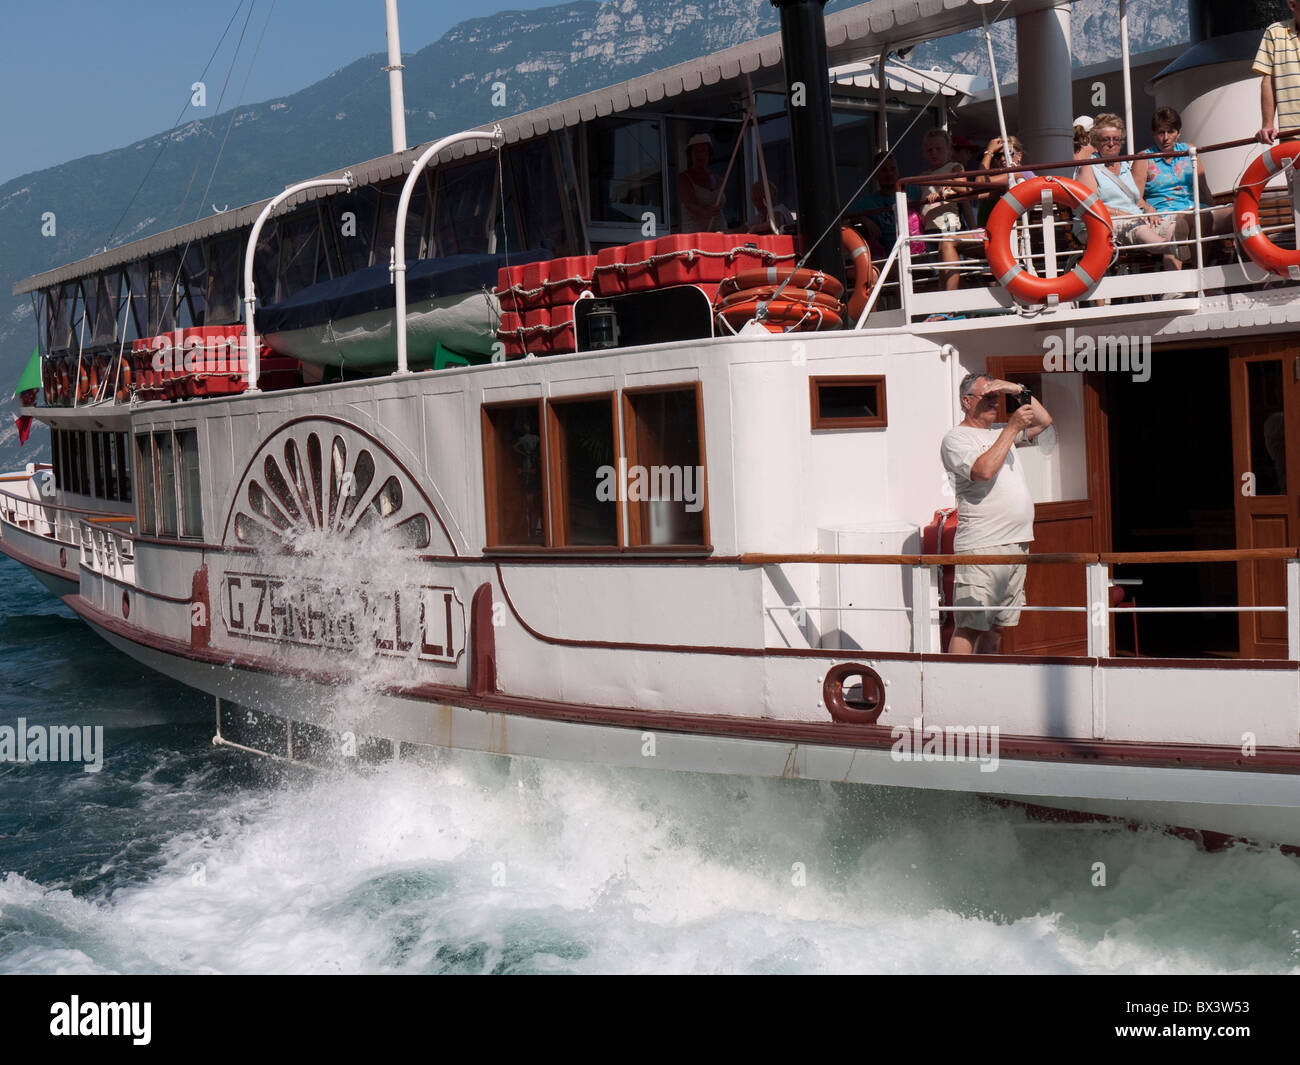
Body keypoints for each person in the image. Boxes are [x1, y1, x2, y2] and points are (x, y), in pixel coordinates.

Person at [940, 373, 1054, 655]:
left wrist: (1016, 389)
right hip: (983, 545)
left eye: (996, 397)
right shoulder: (956, 438)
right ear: (967, 402)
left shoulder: (1001, 432)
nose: (994, 402)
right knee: (970, 626)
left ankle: (988, 684)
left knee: (997, 626)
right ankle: (959, 689)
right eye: (987, 396)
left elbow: (1044, 421)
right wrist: (1011, 428)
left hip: (1016, 543)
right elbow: (983, 471)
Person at [1077, 113, 1189, 277]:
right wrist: (1125, 214)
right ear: (1096, 141)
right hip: (1104, 222)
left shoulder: (1124, 166)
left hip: (1134, 216)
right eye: (1105, 140)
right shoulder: (1088, 168)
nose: (1111, 144)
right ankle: (1171, 246)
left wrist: (1149, 209)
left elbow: (1135, 200)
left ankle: (1175, 290)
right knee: (1139, 228)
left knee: (1170, 226)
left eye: (1116, 139)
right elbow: (1092, 207)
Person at [1133, 106, 1234, 241]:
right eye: (1160, 132)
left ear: (1178, 132)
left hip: (1196, 209)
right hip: (1166, 216)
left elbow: (1203, 189)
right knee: (1200, 218)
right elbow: (1135, 198)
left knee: (1237, 212)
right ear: (1153, 134)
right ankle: (1199, 262)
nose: (1166, 138)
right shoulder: (1144, 158)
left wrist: (1212, 210)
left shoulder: (1189, 150)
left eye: (1170, 131)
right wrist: (1148, 209)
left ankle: (1246, 258)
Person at [1252, 1, 1300, 236]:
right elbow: (1268, 81)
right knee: (1299, 208)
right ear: (1293, 5)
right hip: (1292, 137)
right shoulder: (1275, 33)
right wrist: (1268, 125)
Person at [915, 129, 972, 291]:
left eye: (938, 149)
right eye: (929, 150)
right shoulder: (925, 175)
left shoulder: (954, 167)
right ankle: (944, 305)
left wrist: (946, 188)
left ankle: (955, 304)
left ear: (949, 150)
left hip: (947, 224)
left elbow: (965, 188)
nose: (934, 153)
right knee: (938, 270)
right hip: (930, 227)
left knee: (949, 267)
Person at [845, 151, 919, 256]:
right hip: (889, 255)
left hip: (917, 249)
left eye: (892, 169)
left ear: (898, 171)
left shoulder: (914, 190)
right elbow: (842, 217)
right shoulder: (868, 202)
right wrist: (863, 220)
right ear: (875, 174)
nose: (889, 173)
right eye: (884, 170)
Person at [973, 135, 1035, 229]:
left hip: (1012, 231)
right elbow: (978, 192)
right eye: (998, 155)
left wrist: (989, 151)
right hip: (1003, 230)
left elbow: (980, 181)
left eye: (1008, 153)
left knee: (948, 241)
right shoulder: (1006, 181)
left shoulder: (1020, 173)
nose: (1002, 159)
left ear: (1019, 156)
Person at [677, 133, 726, 232]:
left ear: (709, 154)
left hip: (719, 231)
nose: (699, 155)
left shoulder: (718, 179)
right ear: (690, 155)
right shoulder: (684, 178)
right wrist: (705, 211)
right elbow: (689, 203)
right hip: (695, 235)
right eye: (696, 151)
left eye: (703, 151)